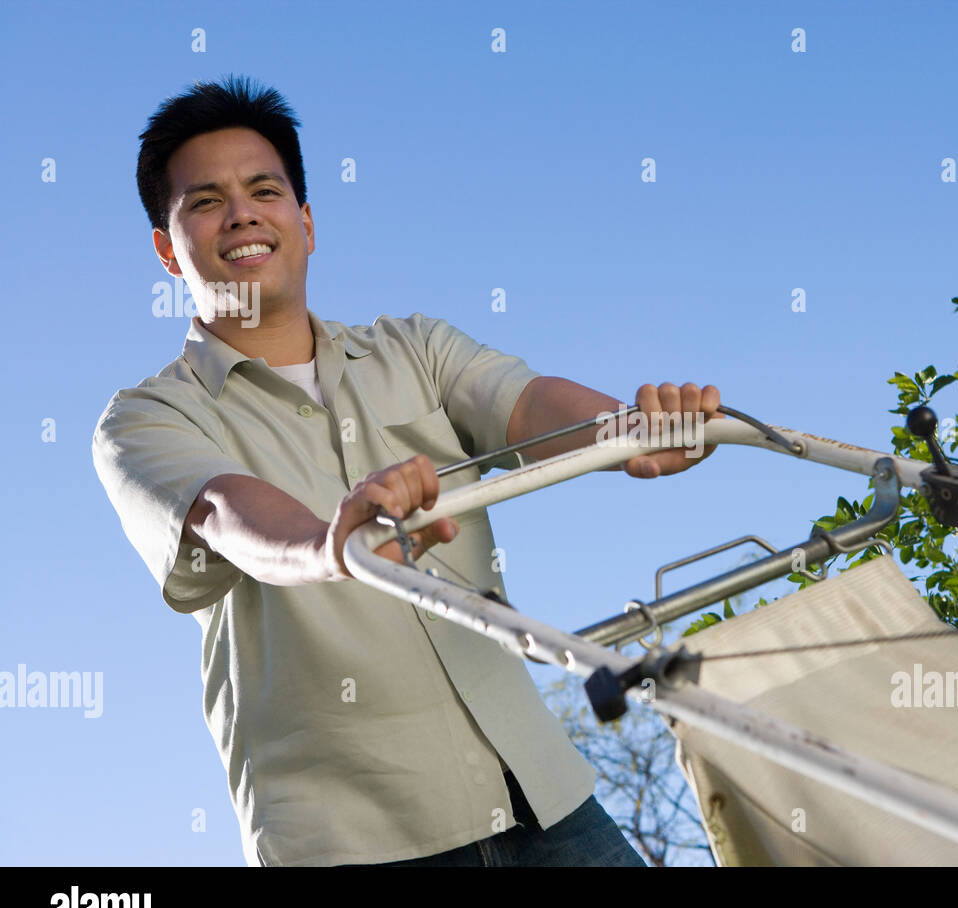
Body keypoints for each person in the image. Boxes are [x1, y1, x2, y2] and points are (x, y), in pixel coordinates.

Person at [91, 75, 722, 867]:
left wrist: (624, 433)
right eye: (206, 201)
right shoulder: (144, 419)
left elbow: (525, 406)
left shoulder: (414, 347)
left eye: (264, 190)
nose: (243, 214)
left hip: (544, 800)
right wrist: (332, 545)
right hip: (352, 841)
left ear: (307, 222)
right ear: (166, 248)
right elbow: (223, 510)